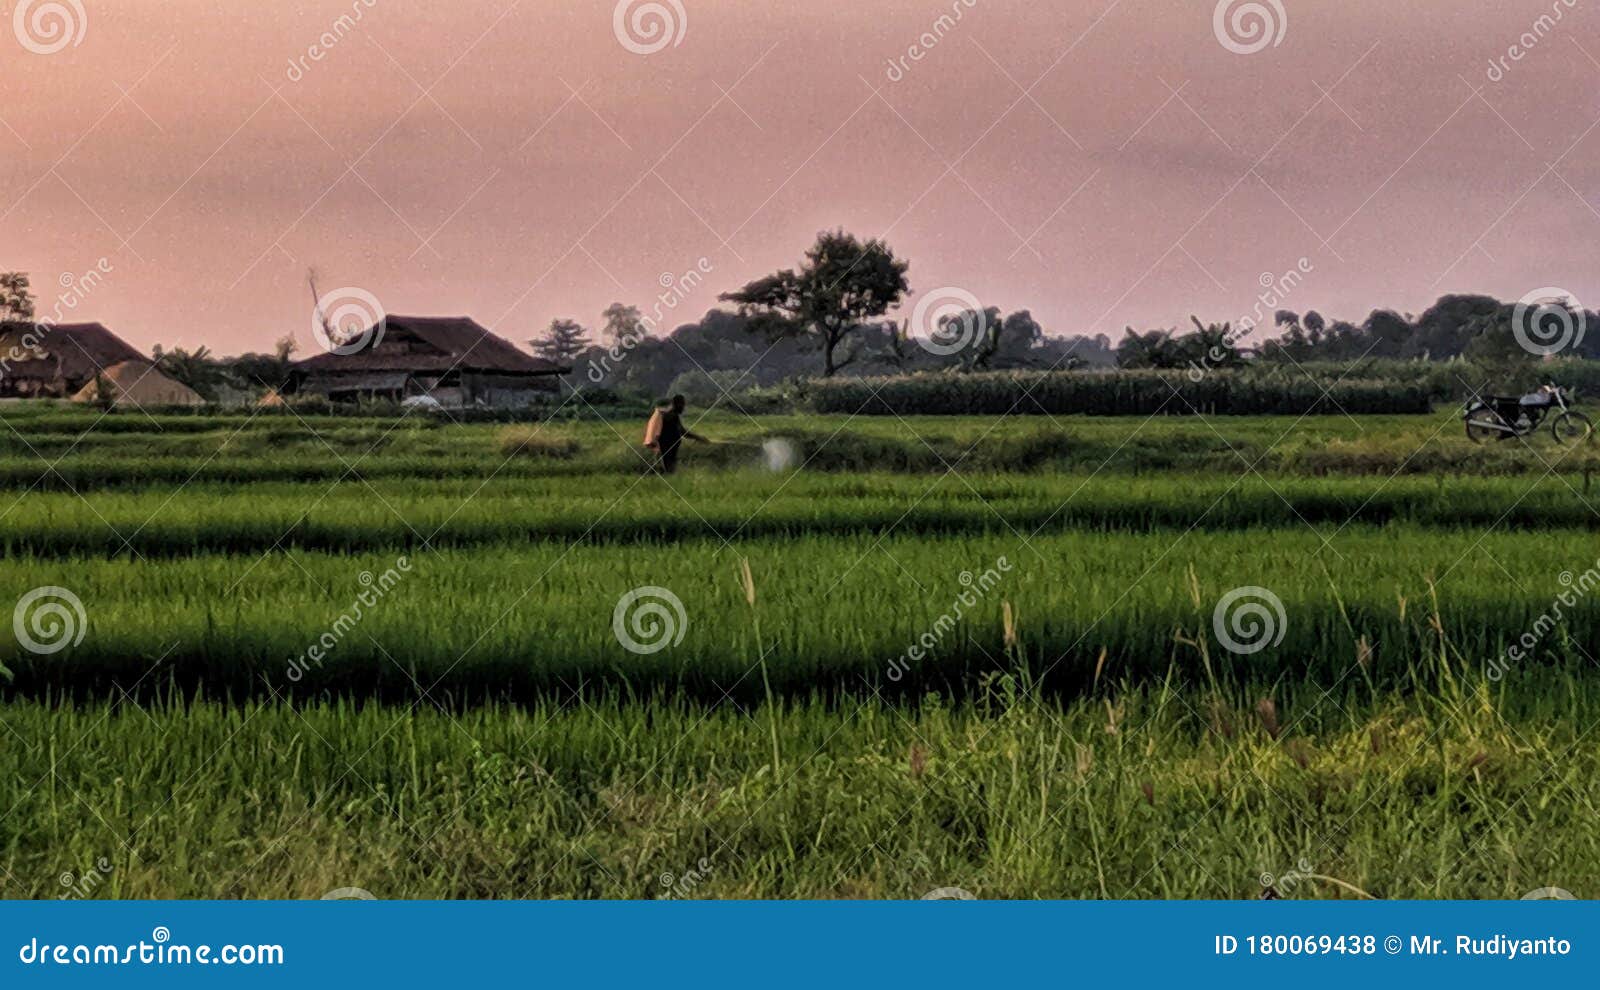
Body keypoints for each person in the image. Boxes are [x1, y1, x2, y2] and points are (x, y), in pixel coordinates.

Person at [643, 394, 706, 474]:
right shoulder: (670, 416)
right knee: (669, 468)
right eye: (682, 405)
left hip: (668, 447)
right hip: (667, 447)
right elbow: (683, 432)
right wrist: (698, 438)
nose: (683, 408)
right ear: (677, 404)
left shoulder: (671, 415)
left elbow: (682, 432)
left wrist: (698, 438)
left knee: (668, 468)